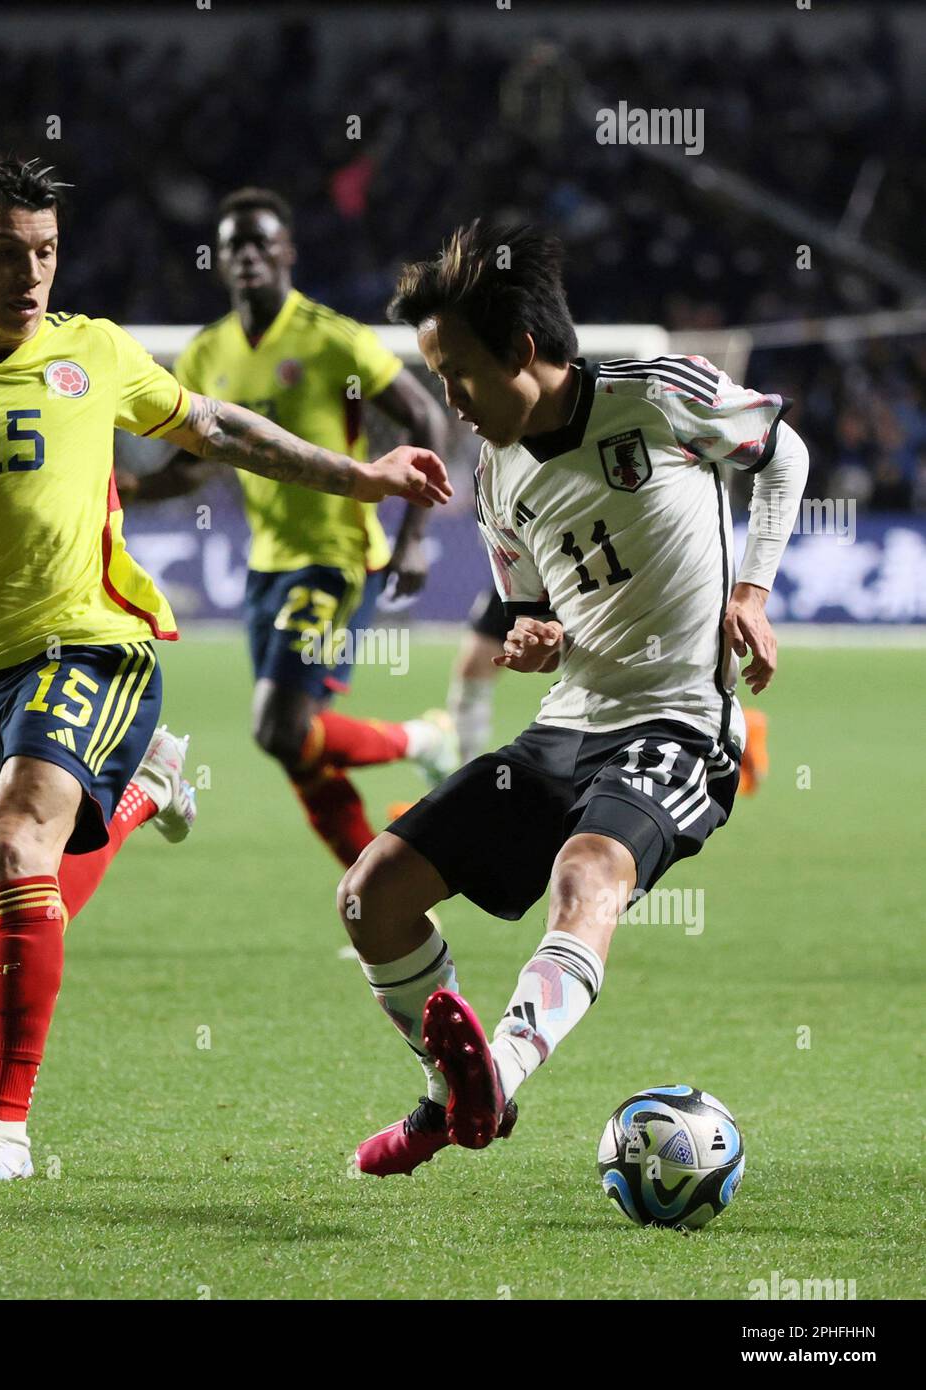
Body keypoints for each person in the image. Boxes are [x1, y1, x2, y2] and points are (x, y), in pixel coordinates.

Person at [0, 155, 450, 1182]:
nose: (32, 276)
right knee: (9, 930)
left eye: (48, 253)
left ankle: (2, 1131)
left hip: (92, 643)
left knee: (20, 841)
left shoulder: (95, 353)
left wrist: (361, 475)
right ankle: (151, 786)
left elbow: (223, 428)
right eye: (10, 254)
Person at [339, 221, 807, 1176]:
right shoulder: (494, 469)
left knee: (587, 871)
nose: (449, 400)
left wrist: (750, 590)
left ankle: (495, 1075)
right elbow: (527, 610)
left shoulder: (658, 392)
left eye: (457, 372)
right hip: (567, 726)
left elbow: (783, 455)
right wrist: (533, 637)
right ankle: (455, 1094)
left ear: (521, 350)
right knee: (368, 898)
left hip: (677, 726)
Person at [121, 188, 458, 869]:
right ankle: (379, 894)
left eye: (259, 243)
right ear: (219, 261)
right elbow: (192, 467)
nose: (246, 256)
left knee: (276, 725)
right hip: (266, 564)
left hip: (336, 556)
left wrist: (415, 535)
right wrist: (124, 489)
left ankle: (422, 740)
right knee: (293, 744)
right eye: (232, 246)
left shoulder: (332, 338)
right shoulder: (205, 352)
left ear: (286, 252)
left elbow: (425, 418)